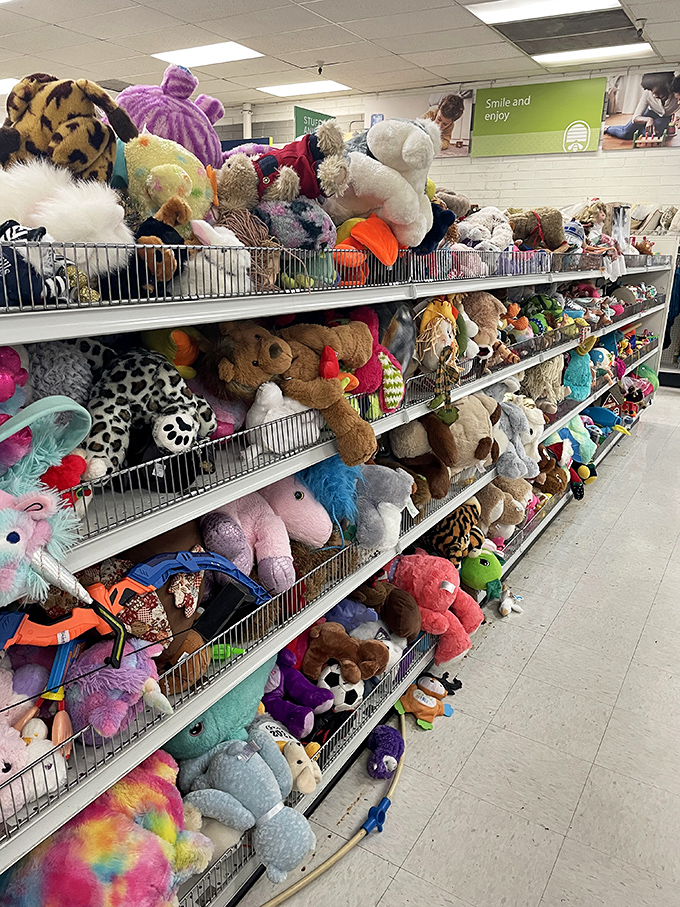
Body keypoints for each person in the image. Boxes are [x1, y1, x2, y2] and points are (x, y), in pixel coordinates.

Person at [605, 71, 679, 140]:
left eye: (657, 93)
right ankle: (607, 128)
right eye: (652, 92)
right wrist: (648, 120)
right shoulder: (647, 94)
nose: (654, 95)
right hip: (649, 113)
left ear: (667, 88)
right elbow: (635, 117)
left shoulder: (677, 94)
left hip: (664, 118)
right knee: (625, 133)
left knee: (649, 134)